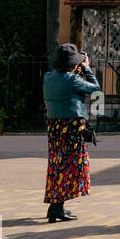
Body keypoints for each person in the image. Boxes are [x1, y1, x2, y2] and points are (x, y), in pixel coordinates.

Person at [42, 43, 101, 223]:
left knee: (57, 164)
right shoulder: (72, 79)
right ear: (73, 64)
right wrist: (88, 68)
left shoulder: (48, 77)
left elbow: (65, 83)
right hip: (71, 126)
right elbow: (95, 88)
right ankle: (57, 208)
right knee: (70, 166)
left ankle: (55, 205)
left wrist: (76, 70)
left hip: (54, 126)